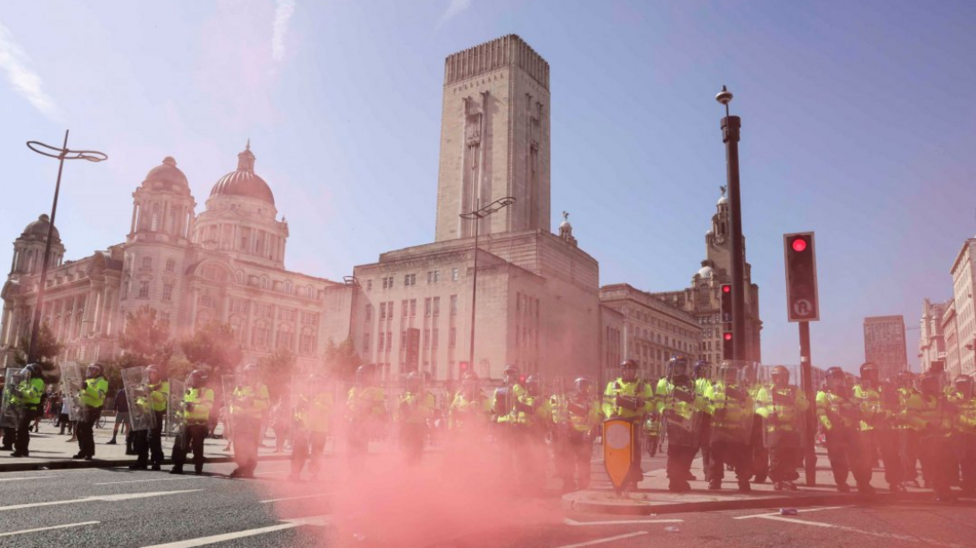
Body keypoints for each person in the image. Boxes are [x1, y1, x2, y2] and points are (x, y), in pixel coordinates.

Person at [817, 366, 873, 494]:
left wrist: (859, 412)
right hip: (834, 433)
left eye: (839, 378)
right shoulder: (823, 395)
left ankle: (863, 483)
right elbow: (821, 413)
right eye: (834, 379)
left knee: (858, 458)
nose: (837, 382)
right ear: (828, 380)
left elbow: (860, 408)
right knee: (838, 460)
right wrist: (830, 427)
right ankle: (841, 483)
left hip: (851, 430)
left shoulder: (849, 393)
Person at [604, 359, 654, 491]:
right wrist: (610, 413)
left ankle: (633, 480)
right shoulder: (613, 385)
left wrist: (642, 404)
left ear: (635, 371)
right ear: (622, 371)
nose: (628, 372)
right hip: (617, 423)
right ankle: (619, 479)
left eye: (631, 369)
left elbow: (651, 405)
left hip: (634, 423)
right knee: (617, 453)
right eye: (626, 369)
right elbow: (606, 403)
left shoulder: (643, 385)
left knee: (634, 454)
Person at [756, 365, 809, 491]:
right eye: (778, 377)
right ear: (773, 378)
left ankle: (787, 479)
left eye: (783, 377)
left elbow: (805, 405)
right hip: (774, 429)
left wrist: (794, 399)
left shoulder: (794, 390)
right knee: (776, 456)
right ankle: (777, 480)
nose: (780, 380)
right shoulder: (765, 390)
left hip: (790, 429)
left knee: (790, 456)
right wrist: (767, 415)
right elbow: (757, 406)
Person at [853, 362, 903, 493]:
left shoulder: (885, 387)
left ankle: (895, 482)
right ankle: (863, 484)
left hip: (884, 425)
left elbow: (894, 405)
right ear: (863, 374)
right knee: (866, 458)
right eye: (869, 372)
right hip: (867, 426)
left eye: (875, 371)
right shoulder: (858, 389)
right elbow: (857, 406)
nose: (873, 375)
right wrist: (871, 415)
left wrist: (888, 415)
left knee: (891, 455)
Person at [657, 356, 705, 492]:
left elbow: (700, 402)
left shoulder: (692, 383)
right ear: (672, 368)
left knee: (687, 452)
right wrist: (663, 410)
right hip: (672, 421)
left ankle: (680, 478)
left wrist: (694, 399)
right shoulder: (664, 382)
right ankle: (674, 481)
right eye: (678, 366)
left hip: (688, 422)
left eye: (683, 366)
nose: (681, 369)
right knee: (674, 452)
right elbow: (658, 401)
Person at [705, 363, 755, 492]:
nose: (729, 375)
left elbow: (750, 406)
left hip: (735, 428)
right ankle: (715, 479)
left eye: (732, 373)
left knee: (740, 457)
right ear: (722, 374)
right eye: (727, 373)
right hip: (718, 428)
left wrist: (743, 413)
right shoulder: (714, 388)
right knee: (716, 456)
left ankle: (743, 480)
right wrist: (714, 410)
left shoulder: (742, 389)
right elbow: (706, 403)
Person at [904, 373, 954, 501]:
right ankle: (939, 489)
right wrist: (926, 425)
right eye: (929, 383)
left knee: (944, 464)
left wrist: (945, 426)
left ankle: (943, 489)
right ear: (923, 385)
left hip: (941, 436)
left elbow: (947, 416)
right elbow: (911, 417)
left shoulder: (942, 399)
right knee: (931, 464)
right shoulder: (915, 399)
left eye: (934, 383)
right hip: (924, 436)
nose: (933, 386)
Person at [552, 377, 601, 491]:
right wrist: (565, 425)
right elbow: (560, 416)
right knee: (568, 460)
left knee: (584, 461)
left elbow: (598, 418)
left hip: (585, 435)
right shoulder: (569, 400)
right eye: (580, 386)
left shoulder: (593, 401)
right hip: (571, 434)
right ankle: (568, 482)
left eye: (585, 386)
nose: (582, 388)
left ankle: (583, 484)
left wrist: (590, 411)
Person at [509, 375, 551, 494]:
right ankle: (523, 486)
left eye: (535, 385)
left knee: (538, 460)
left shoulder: (543, 400)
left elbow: (548, 416)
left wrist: (536, 409)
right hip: (521, 434)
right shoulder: (521, 399)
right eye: (531, 385)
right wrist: (514, 422)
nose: (533, 387)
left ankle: (538, 486)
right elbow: (513, 413)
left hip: (536, 434)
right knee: (521, 461)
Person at [290, 374, 334, 481]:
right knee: (299, 451)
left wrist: (311, 405)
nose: (314, 385)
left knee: (317, 453)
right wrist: (297, 417)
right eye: (312, 383)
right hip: (304, 428)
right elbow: (298, 411)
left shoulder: (326, 396)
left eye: (317, 383)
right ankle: (295, 473)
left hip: (320, 429)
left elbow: (329, 409)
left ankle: (314, 474)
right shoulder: (302, 395)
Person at [229, 364, 270, 478]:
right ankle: (241, 466)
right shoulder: (239, 387)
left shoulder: (261, 387)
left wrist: (252, 402)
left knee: (251, 447)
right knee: (238, 445)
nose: (250, 376)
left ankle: (248, 470)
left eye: (253, 374)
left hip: (253, 421)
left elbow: (266, 404)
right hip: (239, 420)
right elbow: (233, 401)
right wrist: (232, 411)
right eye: (247, 374)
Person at [171, 370, 214, 475]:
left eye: (194, 377)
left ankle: (198, 466)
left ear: (200, 379)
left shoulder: (207, 391)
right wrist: (177, 414)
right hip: (186, 422)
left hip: (199, 424)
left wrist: (193, 407)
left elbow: (208, 406)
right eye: (191, 377)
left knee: (197, 447)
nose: (191, 380)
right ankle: (178, 466)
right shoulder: (188, 390)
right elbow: (183, 405)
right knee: (180, 445)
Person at [346, 363, 386, 470]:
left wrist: (369, 410)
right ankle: (352, 469)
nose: (360, 377)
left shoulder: (376, 391)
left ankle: (360, 469)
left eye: (363, 374)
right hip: (352, 422)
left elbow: (380, 409)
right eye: (359, 374)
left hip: (365, 423)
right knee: (351, 448)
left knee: (361, 447)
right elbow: (348, 405)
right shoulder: (353, 390)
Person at [132, 365, 169, 471]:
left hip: (156, 413)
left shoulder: (164, 384)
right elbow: (141, 398)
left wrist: (151, 392)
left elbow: (162, 398)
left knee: (153, 438)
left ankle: (156, 461)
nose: (149, 375)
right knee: (141, 438)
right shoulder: (146, 384)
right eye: (148, 373)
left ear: (157, 374)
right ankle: (141, 461)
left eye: (152, 372)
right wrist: (138, 403)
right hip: (144, 413)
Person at [396, 371, 435, 464]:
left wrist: (417, 408)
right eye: (410, 381)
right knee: (405, 454)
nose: (412, 384)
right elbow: (397, 412)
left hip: (419, 427)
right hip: (405, 427)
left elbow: (430, 413)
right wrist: (398, 420)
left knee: (417, 454)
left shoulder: (427, 395)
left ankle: (416, 470)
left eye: (415, 381)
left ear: (420, 382)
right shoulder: (403, 395)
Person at [948, 375, 976, 496]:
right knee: (966, 461)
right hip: (961, 435)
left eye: (965, 384)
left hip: (973, 434)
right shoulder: (953, 401)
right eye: (960, 385)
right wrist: (972, 424)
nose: (963, 387)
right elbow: (956, 417)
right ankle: (968, 485)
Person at [11, 363, 46, 457]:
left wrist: (18, 392)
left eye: (29, 371)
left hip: (30, 408)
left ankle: (19, 450)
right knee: (23, 429)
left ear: (35, 372)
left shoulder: (38, 381)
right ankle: (24, 450)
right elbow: (19, 392)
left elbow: (31, 394)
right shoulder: (27, 381)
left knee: (21, 429)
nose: (27, 373)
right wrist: (13, 398)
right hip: (22, 407)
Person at [75, 364, 108, 460]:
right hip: (83, 408)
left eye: (93, 369)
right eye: (90, 369)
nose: (91, 371)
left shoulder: (102, 381)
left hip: (93, 409)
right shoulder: (88, 380)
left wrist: (87, 388)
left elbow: (99, 395)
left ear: (99, 371)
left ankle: (89, 452)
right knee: (79, 430)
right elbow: (82, 393)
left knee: (86, 430)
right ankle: (83, 450)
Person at [895, 371, 922, 488]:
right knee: (904, 453)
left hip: (915, 426)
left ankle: (910, 475)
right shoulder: (896, 393)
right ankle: (908, 477)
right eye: (904, 380)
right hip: (902, 426)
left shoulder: (917, 393)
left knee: (912, 453)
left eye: (909, 379)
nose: (907, 382)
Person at [693, 361, 713, 482]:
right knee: (698, 446)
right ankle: (683, 470)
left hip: (705, 416)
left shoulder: (709, 383)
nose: (706, 372)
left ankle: (707, 471)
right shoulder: (694, 383)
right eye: (704, 369)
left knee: (705, 446)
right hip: (698, 415)